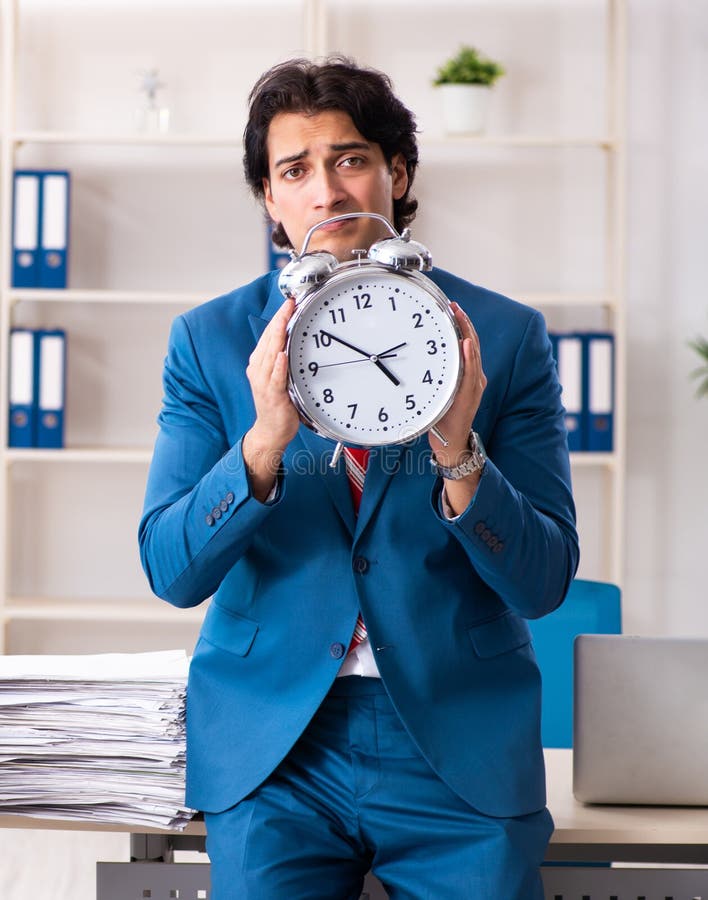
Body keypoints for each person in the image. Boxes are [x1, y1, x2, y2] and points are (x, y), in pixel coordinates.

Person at [139, 56, 579, 900]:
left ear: (396, 171)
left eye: (349, 159)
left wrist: (460, 453)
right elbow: (171, 568)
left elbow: (544, 580)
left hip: (460, 745)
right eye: (294, 169)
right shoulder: (209, 342)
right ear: (269, 199)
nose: (326, 190)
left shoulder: (503, 337)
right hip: (274, 749)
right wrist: (263, 444)